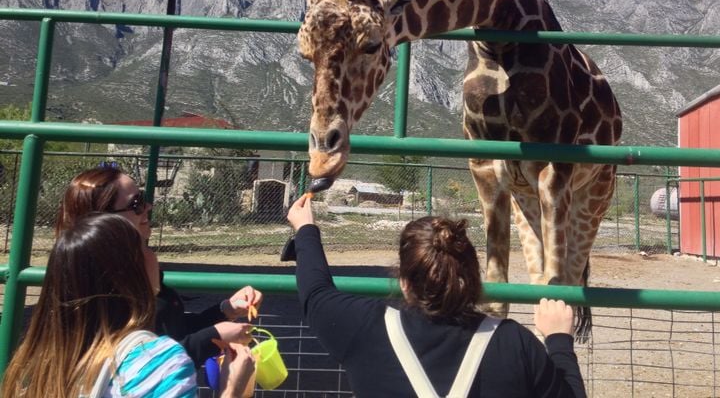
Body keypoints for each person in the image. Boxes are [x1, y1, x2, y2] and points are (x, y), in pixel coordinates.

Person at [287, 193, 586, 398]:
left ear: (404, 282)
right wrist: (559, 340)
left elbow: (315, 291)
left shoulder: (364, 328)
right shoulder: (514, 343)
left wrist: (306, 229)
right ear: (472, 280)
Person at [0, 213, 255, 398]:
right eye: (145, 246)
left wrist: (223, 311)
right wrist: (231, 388)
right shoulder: (158, 362)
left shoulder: (32, 364)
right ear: (129, 272)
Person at [55, 164, 263, 367]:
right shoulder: (102, 288)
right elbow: (142, 367)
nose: (147, 207)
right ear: (104, 218)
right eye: (136, 203)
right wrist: (213, 338)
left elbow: (170, 332)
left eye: (143, 198)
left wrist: (225, 310)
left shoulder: (133, 267)